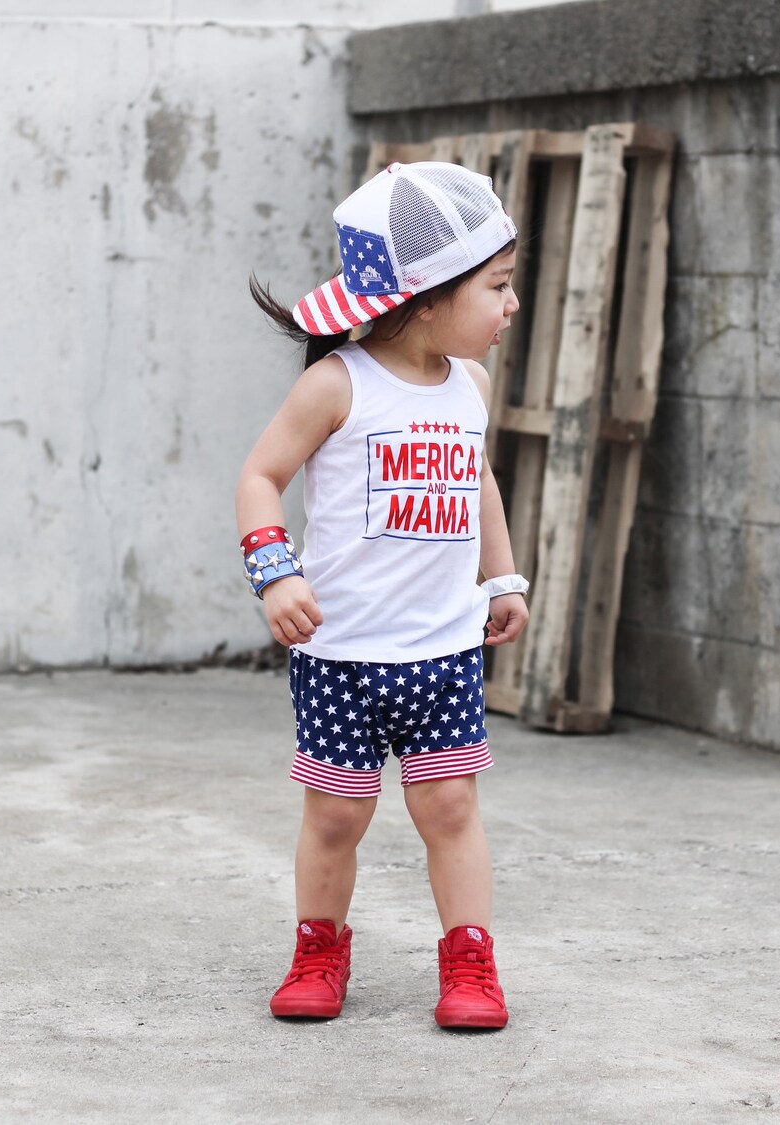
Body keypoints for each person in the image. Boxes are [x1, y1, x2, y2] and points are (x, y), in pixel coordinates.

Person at [236, 161, 531, 1029]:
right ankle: (319, 948)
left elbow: (476, 483)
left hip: (443, 651)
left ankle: (471, 964)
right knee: (336, 815)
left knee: (451, 807)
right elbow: (260, 474)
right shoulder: (337, 384)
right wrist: (276, 571)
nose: (511, 304)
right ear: (427, 297)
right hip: (343, 657)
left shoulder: (469, 387)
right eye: (499, 286)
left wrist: (501, 575)